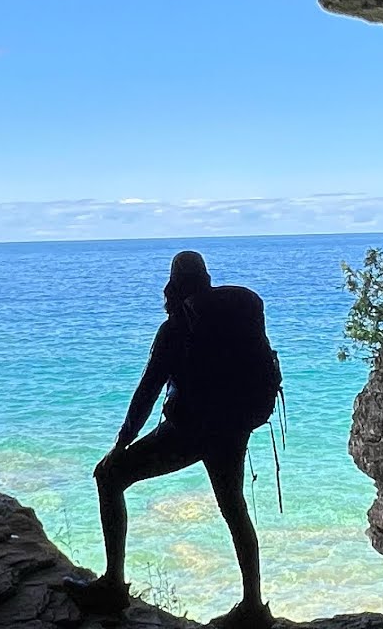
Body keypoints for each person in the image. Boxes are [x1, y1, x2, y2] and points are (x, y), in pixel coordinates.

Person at [62, 250, 275, 628]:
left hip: (189, 431)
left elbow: (146, 393)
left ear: (174, 284)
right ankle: (253, 606)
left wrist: (120, 446)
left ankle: (113, 585)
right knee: (234, 509)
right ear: (206, 279)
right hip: (232, 427)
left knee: (108, 477)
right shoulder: (240, 311)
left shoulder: (175, 330)